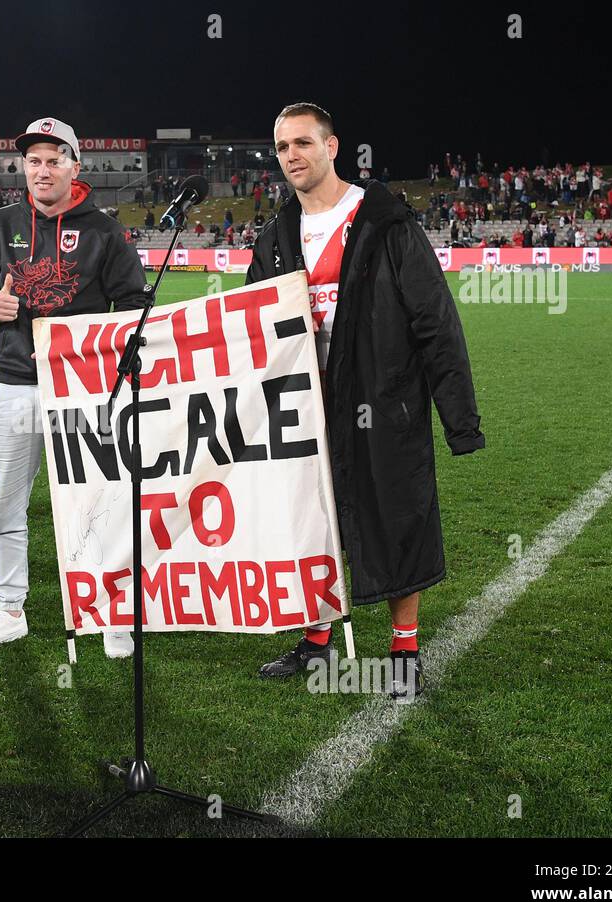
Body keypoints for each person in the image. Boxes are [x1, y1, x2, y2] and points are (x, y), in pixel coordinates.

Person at [246, 103, 484, 697]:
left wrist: (461, 421)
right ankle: (317, 642)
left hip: (382, 402)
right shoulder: (276, 235)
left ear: (332, 146)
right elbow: (247, 324)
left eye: (303, 142)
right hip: (303, 408)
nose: (292, 156)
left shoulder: (384, 222)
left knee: (395, 516)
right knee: (310, 524)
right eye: (281, 148)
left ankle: (404, 651)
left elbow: (435, 322)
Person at [0, 117, 147, 658]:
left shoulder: (105, 232)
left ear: (74, 168)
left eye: (54, 160)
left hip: (86, 390)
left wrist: (80, 343)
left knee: (98, 502)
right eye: (34, 161)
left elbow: (135, 306)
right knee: (6, 504)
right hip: (16, 386)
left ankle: (111, 613)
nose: (42, 170)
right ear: (24, 167)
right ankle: (10, 610)